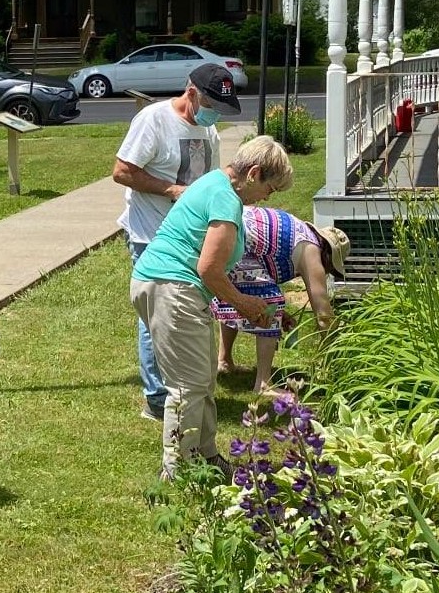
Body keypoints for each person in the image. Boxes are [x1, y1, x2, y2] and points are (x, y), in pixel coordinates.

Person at [130, 136, 289, 479]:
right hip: (173, 289)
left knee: (200, 380)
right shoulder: (225, 199)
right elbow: (209, 269)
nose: (267, 197)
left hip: (165, 284)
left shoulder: (216, 184)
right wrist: (244, 304)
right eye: (270, 188)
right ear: (254, 174)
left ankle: (207, 457)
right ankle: (179, 472)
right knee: (186, 386)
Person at [112, 62, 239, 420]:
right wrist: (172, 189)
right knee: (155, 318)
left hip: (187, 237)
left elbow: (211, 182)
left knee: (184, 310)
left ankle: (181, 386)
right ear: (192, 93)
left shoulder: (208, 130)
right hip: (150, 233)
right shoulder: (154, 120)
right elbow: (122, 171)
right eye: (212, 105)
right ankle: (157, 399)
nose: (215, 114)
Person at [213, 209, 349, 392]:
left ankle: (224, 361)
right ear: (328, 256)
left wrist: (281, 314)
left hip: (225, 233)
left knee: (238, 297)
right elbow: (324, 316)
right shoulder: (312, 250)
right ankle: (263, 384)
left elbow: (257, 272)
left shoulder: (300, 234)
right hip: (237, 241)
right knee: (269, 303)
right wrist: (335, 357)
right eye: (330, 269)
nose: (326, 273)